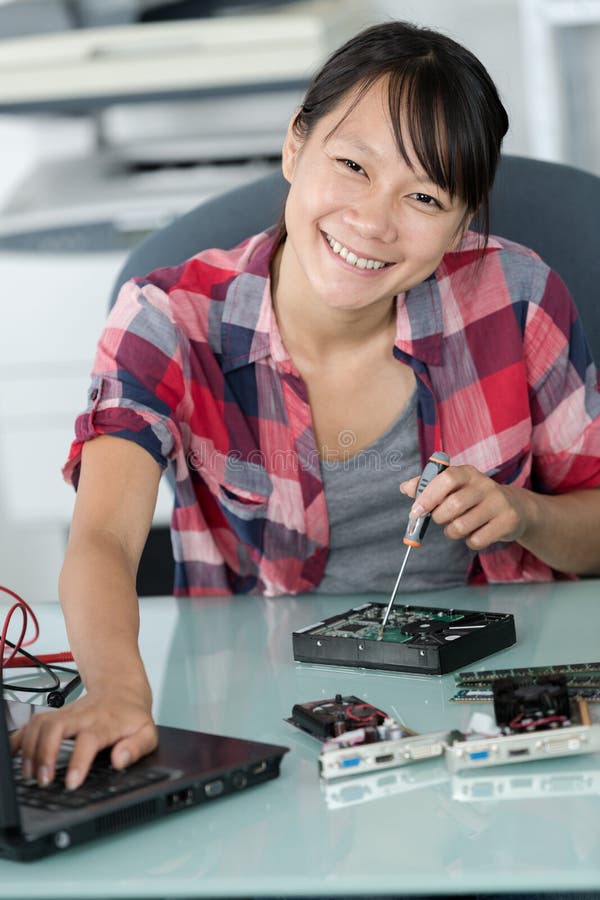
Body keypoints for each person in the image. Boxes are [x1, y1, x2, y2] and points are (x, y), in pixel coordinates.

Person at [12, 21, 600, 790]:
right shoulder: (166, 320)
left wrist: (524, 514)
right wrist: (117, 694)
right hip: (272, 709)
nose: (373, 222)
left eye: (424, 197)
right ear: (296, 147)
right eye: (353, 165)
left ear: (462, 221)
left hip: (500, 708)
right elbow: (103, 540)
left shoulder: (516, 297)